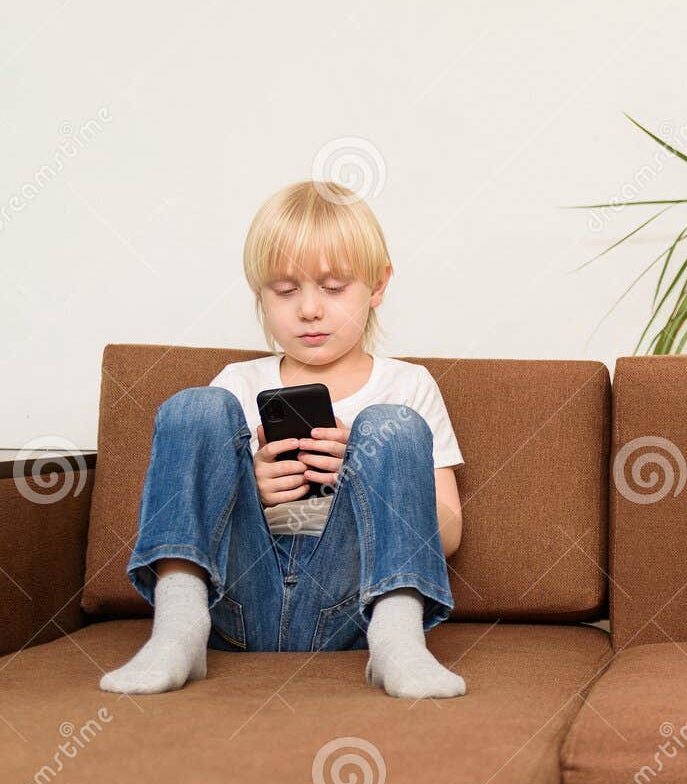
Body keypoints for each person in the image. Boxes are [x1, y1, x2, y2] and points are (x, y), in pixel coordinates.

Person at [100, 179, 468, 699]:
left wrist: (363, 483)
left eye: (334, 288)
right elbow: (193, 498)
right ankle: (178, 627)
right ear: (260, 294)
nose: (310, 310)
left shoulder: (408, 385)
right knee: (195, 406)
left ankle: (399, 641)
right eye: (286, 290)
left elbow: (448, 535)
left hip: (352, 603)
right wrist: (246, 486)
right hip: (239, 598)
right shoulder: (237, 382)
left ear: (378, 286)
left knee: (393, 424)